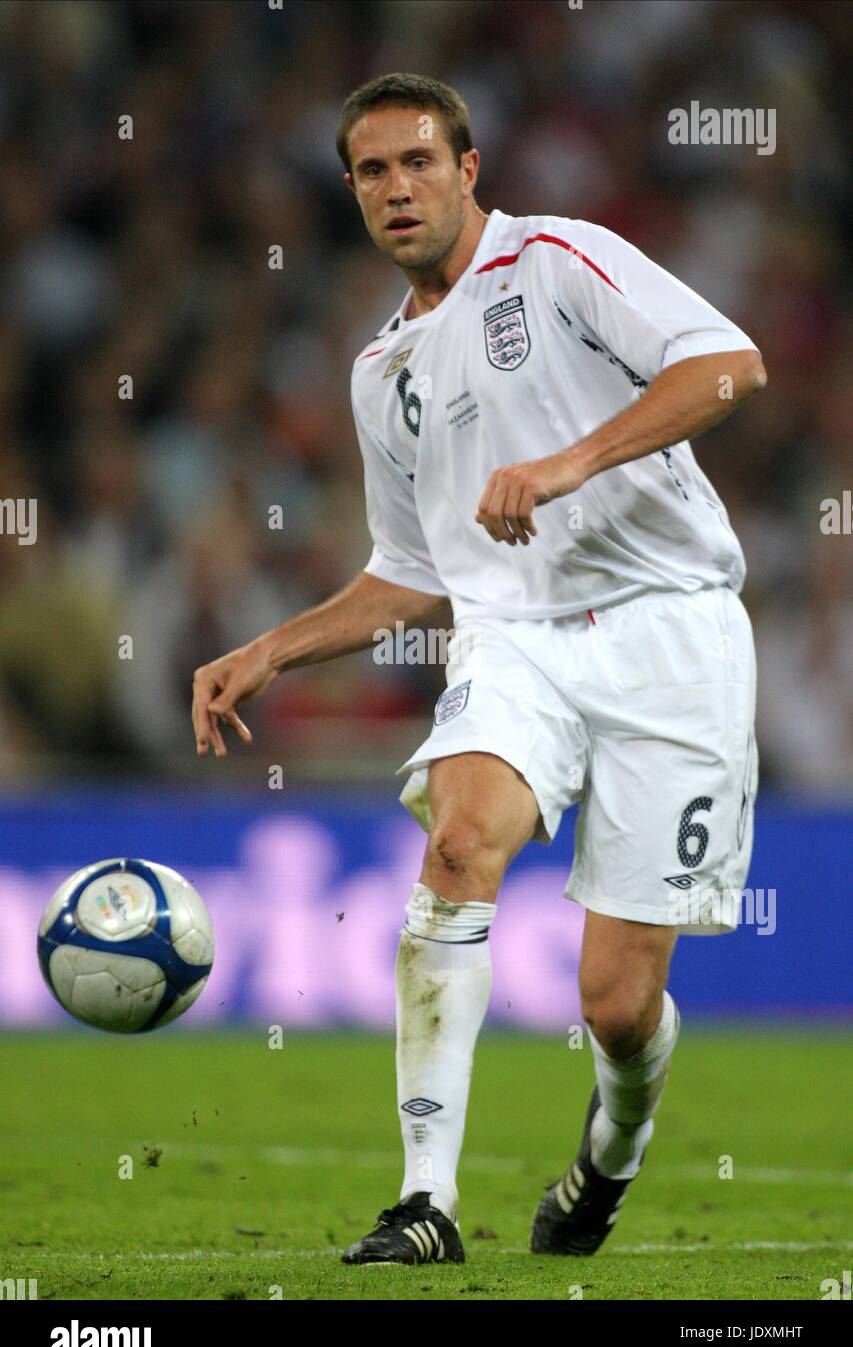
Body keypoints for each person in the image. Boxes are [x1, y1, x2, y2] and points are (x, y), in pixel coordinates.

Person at [191, 73, 766, 1266]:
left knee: (614, 1001)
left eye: (417, 162)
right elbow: (414, 570)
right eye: (371, 171)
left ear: (468, 170)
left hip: (670, 628)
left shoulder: (558, 259)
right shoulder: (380, 373)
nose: (397, 188)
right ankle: (426, 1203)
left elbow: (729, 365)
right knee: (458, 843)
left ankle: (612, 1146)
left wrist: (570, 462)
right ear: (350, 191)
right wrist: (270, 648)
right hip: (515, 639)